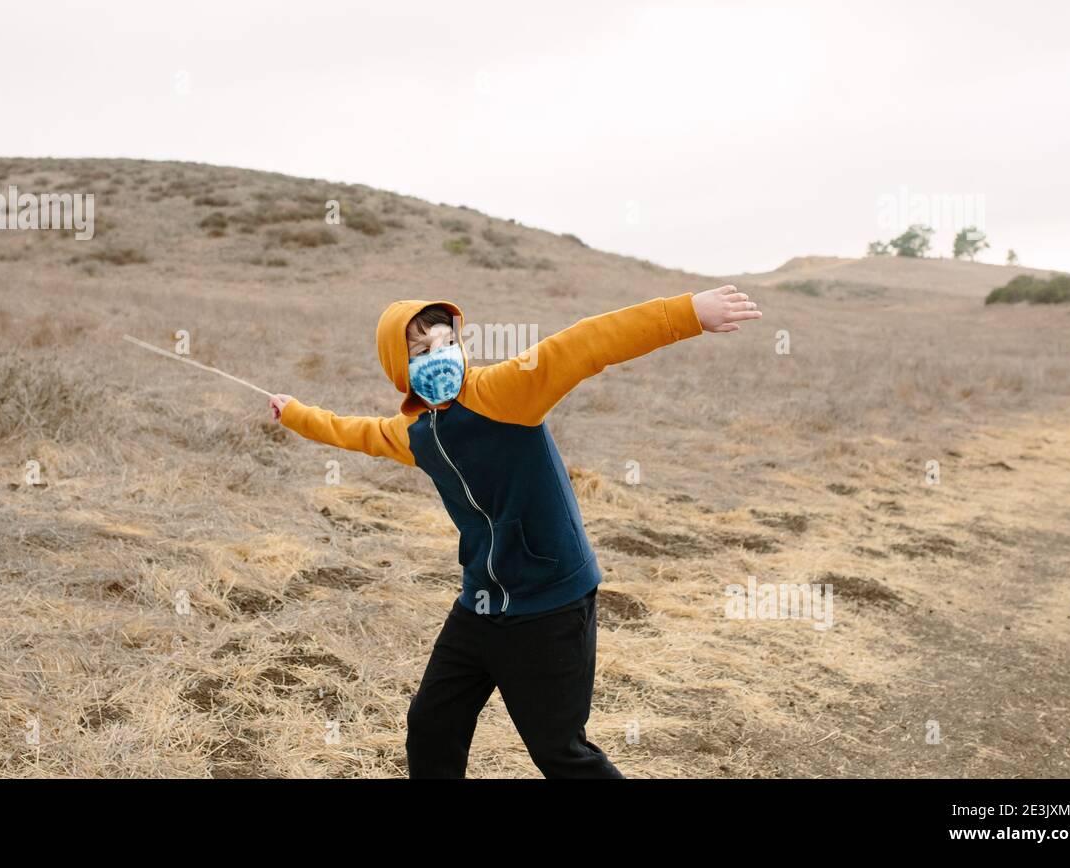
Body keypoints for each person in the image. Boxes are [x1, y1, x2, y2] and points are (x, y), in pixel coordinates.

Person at [267, 286, 761, 777]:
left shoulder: (506, 392)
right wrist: (293, 412)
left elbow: (585, 344)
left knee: (560, 752)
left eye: (446, 343)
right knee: (433, 725)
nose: (440, 357)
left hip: (551, 605)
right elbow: (353, 431)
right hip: (481, 604)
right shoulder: (416, 433)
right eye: (421, 351)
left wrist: (688, 314)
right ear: (399, 366)